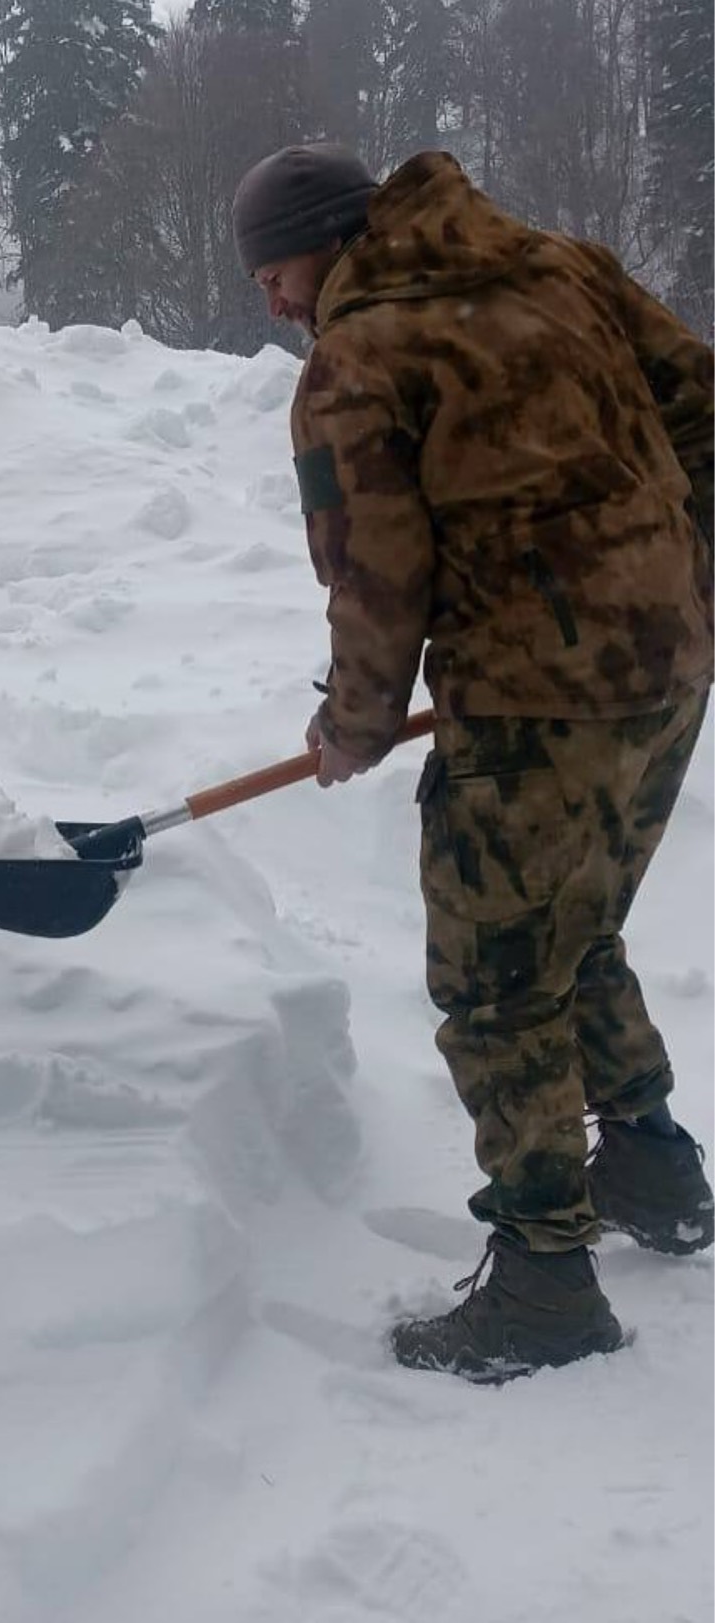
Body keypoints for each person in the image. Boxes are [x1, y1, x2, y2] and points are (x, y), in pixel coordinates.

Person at [232, 141, 714, 1382]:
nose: (271, 300)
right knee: (576, 926)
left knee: (497, 985)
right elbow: (701, 408)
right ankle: (655, 1173)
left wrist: (350, 721)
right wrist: (670, 596)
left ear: (329, 239)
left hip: (532, 706)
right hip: (668, 676)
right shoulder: (562, 264)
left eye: (272, 271)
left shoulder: (359, 359)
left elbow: (374, 571)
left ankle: (547, 1283)